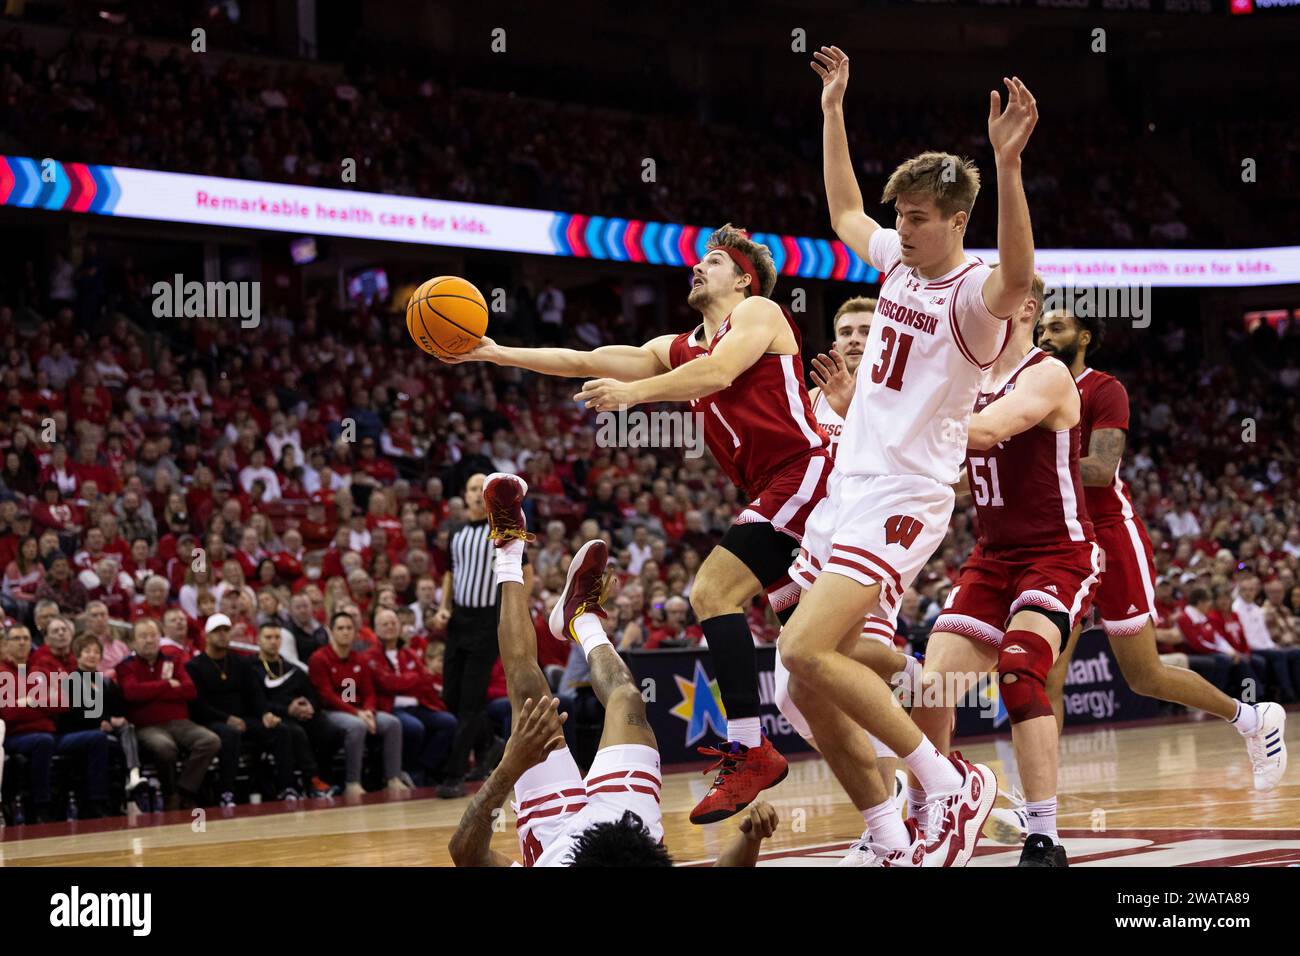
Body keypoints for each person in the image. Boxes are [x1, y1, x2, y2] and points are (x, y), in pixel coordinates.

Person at [443, 223, 842, 823]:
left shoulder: (759, 313)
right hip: (773, 490)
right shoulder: (676, 346)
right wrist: (497, 352)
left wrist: (637, 397)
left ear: (743, 277)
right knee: (812, 658)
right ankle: (905, 765)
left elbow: (718, 375)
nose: (698, 269)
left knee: (710, 591)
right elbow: (585, 359)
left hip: (806, 471)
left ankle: (750, 747)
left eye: (712, 261)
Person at [776, 47, 1031, 866]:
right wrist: (833, 111)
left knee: (800, 648)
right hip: (852, 484)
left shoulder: (976, 295)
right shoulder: (898, 262)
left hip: (907, 493)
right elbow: (847, 213)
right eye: (906, 216)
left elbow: (1020, 271)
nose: (905, 229)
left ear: (958, 221)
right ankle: (890, 831)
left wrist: (1007, 163)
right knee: (798, 685)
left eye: (920, 218)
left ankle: (947, 785)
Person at [449, 473, 780, 866]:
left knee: (527, 688)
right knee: (627, 699)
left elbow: (466, 854)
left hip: (555, 837)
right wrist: (751, 840)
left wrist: (509, 767)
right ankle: (581, 618)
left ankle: (508, 546)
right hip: (630, 835)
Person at [1038, 310, 1288, 793]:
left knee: (1144, 676)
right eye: (1041, 329)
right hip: (1060, 541)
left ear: (1084, 337)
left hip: (1110, 536)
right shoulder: (1027, 390)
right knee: (1047, 674)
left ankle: (1251, 718)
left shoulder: (1104, 388)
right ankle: (1039, 804)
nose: (1045, 336)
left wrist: (1035, 466)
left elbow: (1101, 470)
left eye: (1058, 328)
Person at [910, 280, 1101, 868]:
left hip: (1058, 554)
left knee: (1020, 673)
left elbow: (991, 431)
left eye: (992, 302)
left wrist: (897, 416)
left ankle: (1046, 835)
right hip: (992, 559)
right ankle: (932, 816)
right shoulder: (967, 383)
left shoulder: (1047, 374)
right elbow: (964, 469)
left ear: (1023, 309)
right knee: (929, 687)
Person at [433, 474, 506, 798]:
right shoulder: (457, 532)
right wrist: (443, 606)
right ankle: (490, 743)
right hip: (459, 620)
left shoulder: (502, 531)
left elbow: (525, 572)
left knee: (470, 703)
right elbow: (451, 571)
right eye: (473, 489)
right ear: (464, 495)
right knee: (450, 695)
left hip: (487, 621)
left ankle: (454, 775)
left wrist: (509, 614)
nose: (478, 495)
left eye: (483, 490)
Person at [1, 624, 110, 821]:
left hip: (51, 734)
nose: (22, 642)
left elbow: (63, 703)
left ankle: (96, 803)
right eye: (16, 639)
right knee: (42, 741)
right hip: (14, 736)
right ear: (5, 644)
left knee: (98, 738)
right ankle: (41, 807)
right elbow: (9, 713)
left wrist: (30, 701)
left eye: (26, 638)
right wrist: (42, 704)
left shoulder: (38, 671)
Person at [187, 613, 298, 805]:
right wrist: (227, 718)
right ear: (206, 636)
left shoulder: (240, 662)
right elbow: (197, 706)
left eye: (225, 630)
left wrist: (265, 714)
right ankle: (226, 792)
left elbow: (255, 694)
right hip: (212, 721)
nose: (222, 635)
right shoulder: (194, 666)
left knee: (281, 730)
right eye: (217, 631)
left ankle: (286, 787)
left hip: (244, 718)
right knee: (230, 734)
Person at [117, 618, 221, 810]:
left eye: (153, 635)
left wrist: (149, 692)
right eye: (143, 636)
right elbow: (131, 693)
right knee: (164, 747)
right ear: (133, 642)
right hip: (146, 725)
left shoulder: (172, 661)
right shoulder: (126, 666)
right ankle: (170, 793)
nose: (149, 640)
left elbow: (190, 690)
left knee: (210, 740)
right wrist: (166, 685)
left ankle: (185, 790)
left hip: (179, 722)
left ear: (160, 638)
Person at [307, 610, 408, 797]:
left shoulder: (358, 658)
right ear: (331, 631)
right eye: (340, 628)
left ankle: (393, 778)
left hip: (358, 710)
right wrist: (357, 713)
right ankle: (352, 782)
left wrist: (368, 710)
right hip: (330, 712)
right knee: (356, 726)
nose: (345, 632)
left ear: (355, 632)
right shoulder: (319, 658)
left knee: (392, 723)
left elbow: (369, 692)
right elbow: (327, 695)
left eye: (349, 628)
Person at [365, 607, 457, 786]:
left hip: (418, 705)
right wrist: (410, 679)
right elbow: (386, 683)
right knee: (414, 727)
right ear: (376, 629)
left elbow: (424, 679)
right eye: (385, 624)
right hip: (391, 708)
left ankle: (424, 767)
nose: (390, 627)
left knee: (449, 722)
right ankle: (412, 771)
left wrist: (402, 681)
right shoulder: (369, 656)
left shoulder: (409, 654)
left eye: (393, 623)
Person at [61, 632, 151, 809]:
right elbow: (76, 712)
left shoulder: (106, 682)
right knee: (107, 741)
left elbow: (118, 707)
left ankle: (133, 776)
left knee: (129, 727)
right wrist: (104, 720)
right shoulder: (72, 680)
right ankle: (101, 800)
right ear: (78, 654)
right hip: (80, 730)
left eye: (96, 652)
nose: (92, 655)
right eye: (87, 651)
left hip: (109, 729)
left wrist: (116, 719)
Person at [254, 623, 336, 797]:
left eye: (277, 638)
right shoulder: (252, 668)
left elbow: (313, 696)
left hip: (299, 714)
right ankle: (309, 781)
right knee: (294, 732)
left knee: (326, 728)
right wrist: (288, 710)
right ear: (258, 640)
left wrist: (308, 707)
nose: (273, 642)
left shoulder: (293, 669)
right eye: (268, 637)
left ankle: (329, 779)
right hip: (272, 716)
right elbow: (256, 700)